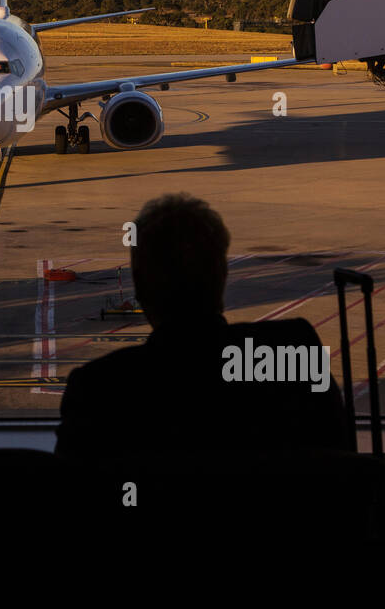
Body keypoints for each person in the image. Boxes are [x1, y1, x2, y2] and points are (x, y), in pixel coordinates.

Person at [55, 193, 352, 462]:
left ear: (141, 285)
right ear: (222, 276)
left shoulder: (99, 390)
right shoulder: (292, 352)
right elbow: (341, 463)